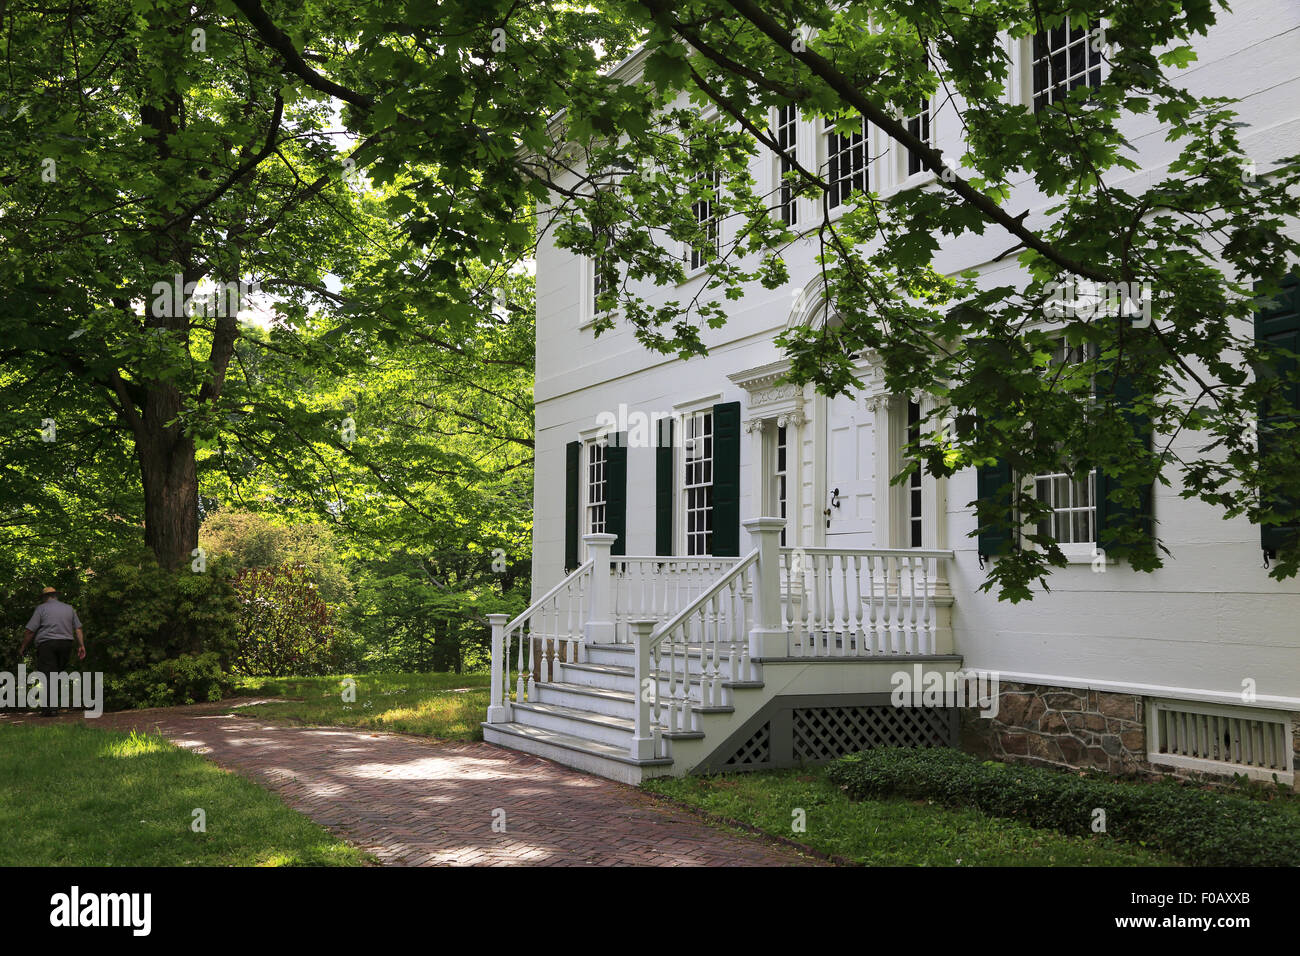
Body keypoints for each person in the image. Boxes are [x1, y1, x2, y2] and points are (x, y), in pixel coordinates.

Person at [18, 586, 86, 717]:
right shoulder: (69, 608)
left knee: (48, 675)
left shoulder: (41, 608)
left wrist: (23, 647)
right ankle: (52, 707)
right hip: (66, 644)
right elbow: (78, 628)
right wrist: (81, 645)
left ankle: (50, 708)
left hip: (47, 644)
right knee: (56, 674)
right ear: (56, 596)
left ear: (44, 597)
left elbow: (30, 630)